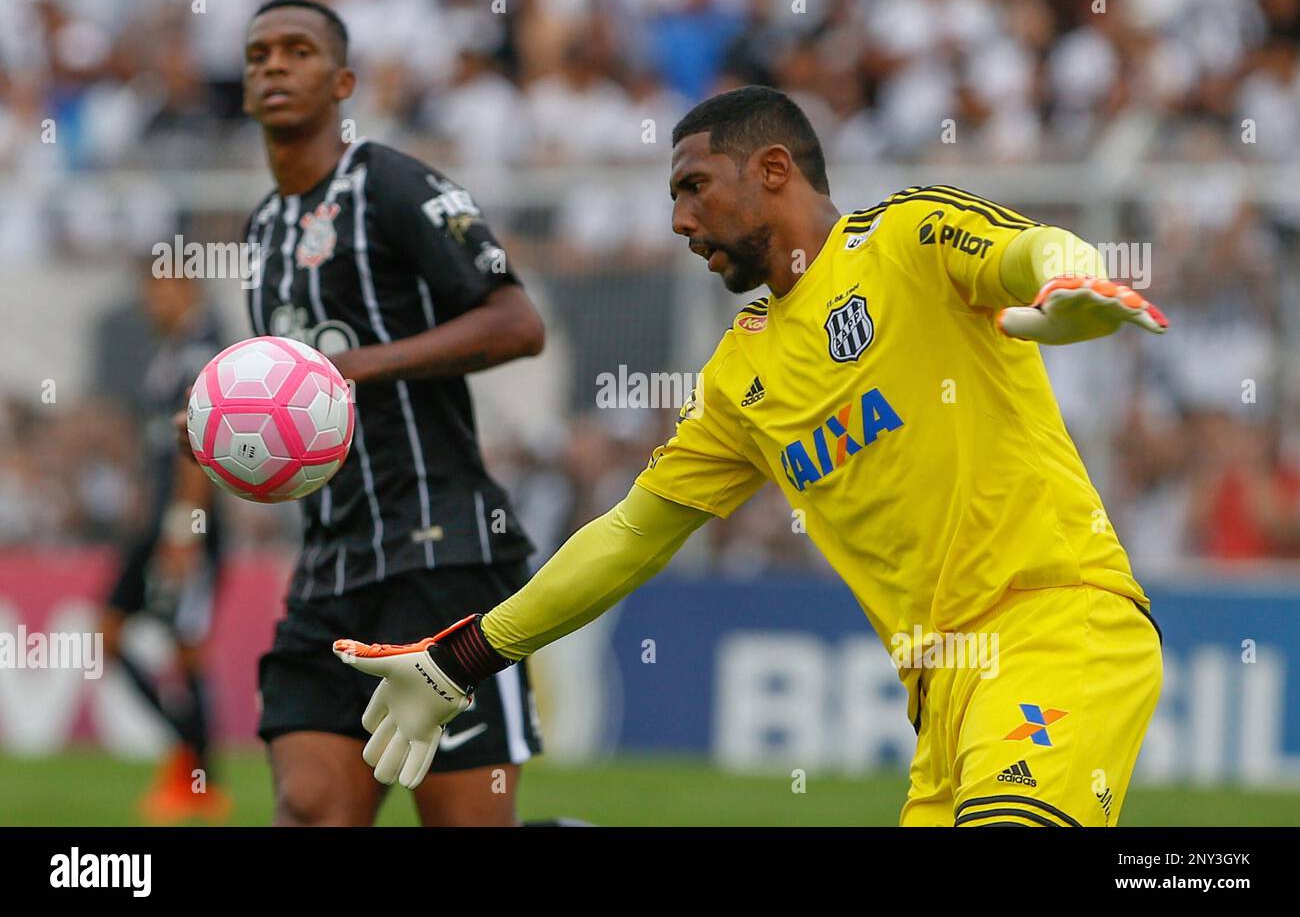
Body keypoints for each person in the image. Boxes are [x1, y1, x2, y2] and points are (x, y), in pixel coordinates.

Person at [335, 86, 1170, 827]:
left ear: (773, 169)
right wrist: (466, 655)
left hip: (1057, 627)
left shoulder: (906, 239)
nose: (678, 222)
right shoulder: (741, 375)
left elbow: (1032, 248)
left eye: (693, 187)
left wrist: (1066, 286)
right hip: (941, 697)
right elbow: (631, 535)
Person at [225, 0, 545, 826]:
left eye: (297, 51)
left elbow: (518, 322)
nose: (273, 66)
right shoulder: (262, 229)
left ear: (342, 83)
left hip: (439, 554)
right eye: (259, 54)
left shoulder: (393, 184)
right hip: (330, 565)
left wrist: (353, 368)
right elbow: (296, 411)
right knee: (311, 808)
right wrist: (224, 437)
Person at [100, 266, 229, 823]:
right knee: (108, 636)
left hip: (186, 525)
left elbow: (199, 449)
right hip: (159, 519)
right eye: (148, 286)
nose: (153, 297)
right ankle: (191, 759)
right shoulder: (170, 352)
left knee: (187, 650)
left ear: (190, 289)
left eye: (164, 285)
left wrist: (183, 531)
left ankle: (199, 778)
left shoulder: (203, 353)